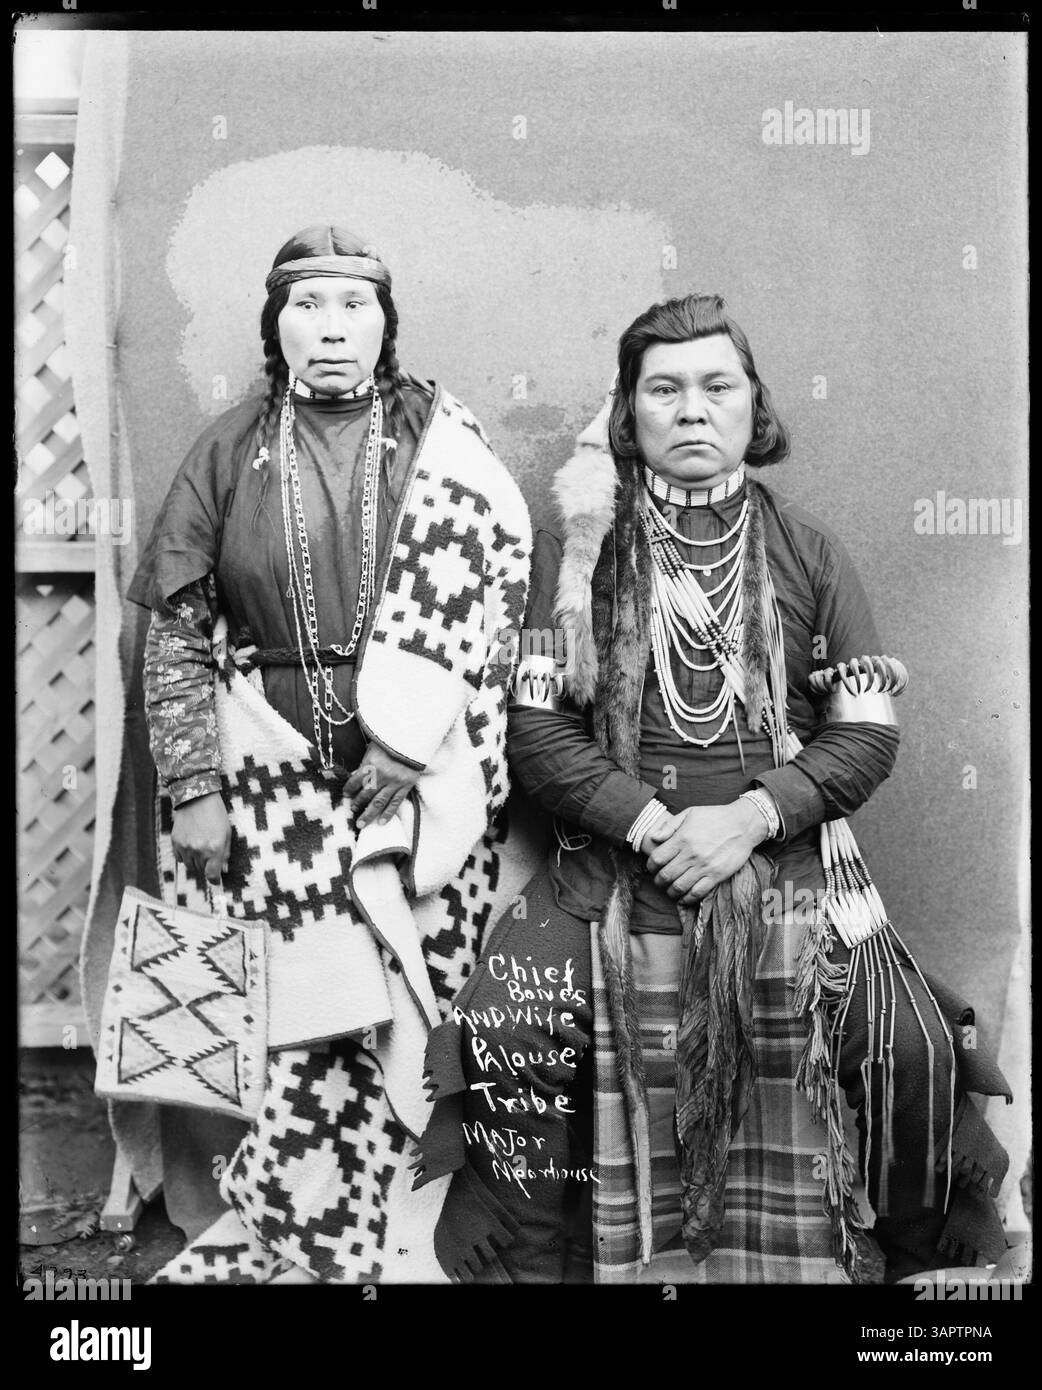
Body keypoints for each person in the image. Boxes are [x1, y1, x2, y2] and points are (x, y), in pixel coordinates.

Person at [418, 292, 1011, 1285]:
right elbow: (534, 730)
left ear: (752, 409)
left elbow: (866, 735)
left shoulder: (809, 551)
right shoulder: (580, 555)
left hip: (786, 871)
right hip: (603, 870)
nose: (691, 409)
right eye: (663, 389)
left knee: (907, 1045)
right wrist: (650, 823)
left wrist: (748, 816)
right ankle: (528, 1266)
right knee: (509, 1026)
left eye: (715, 387)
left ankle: (914, 1276)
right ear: (628, 414)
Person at [123, 224, 531, 1283]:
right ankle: (308, 1241)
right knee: (306, 1027)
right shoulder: (226, 448)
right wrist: (195, 788)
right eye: (308, 305)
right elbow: (173, 625)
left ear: (388, 324)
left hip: (424, 779)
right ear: (276, 326)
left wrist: (405, 738)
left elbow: (493, 602)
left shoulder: (446, 442)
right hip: (271, 778)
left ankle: (404, 1243)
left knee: (413, 1010)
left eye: (355, 304)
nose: (333, 327)